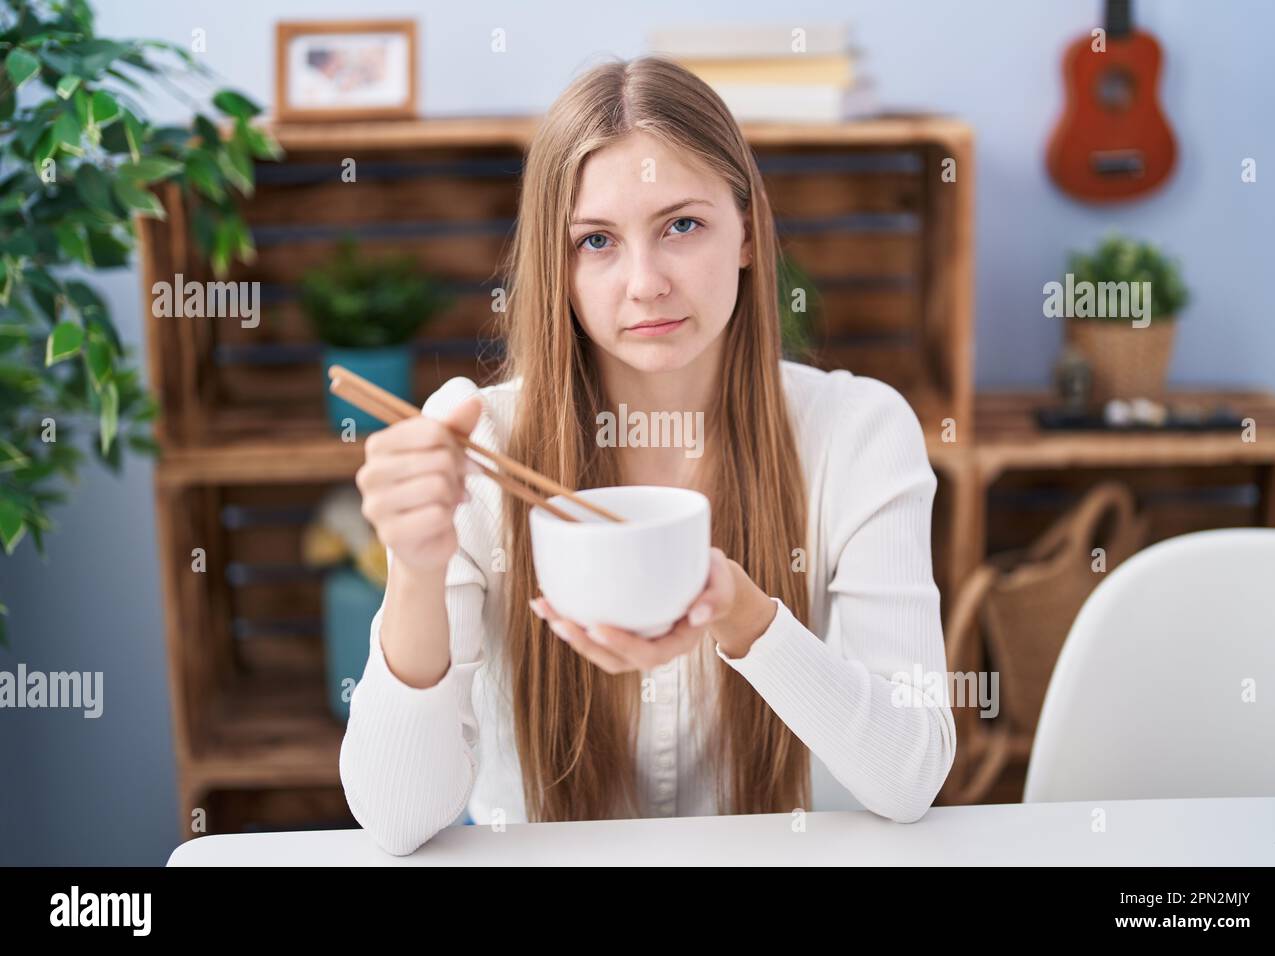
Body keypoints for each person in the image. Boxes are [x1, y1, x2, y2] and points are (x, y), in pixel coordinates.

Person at [339, 56, 956, 855]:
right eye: (596, 241)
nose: (645, 283)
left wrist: (748, 622)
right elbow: (396, 821)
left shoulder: (862, 432)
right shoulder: (481, 447)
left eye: (681, 225)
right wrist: (415, 569)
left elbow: (911, 777)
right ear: (557, 269)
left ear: (747, 228)